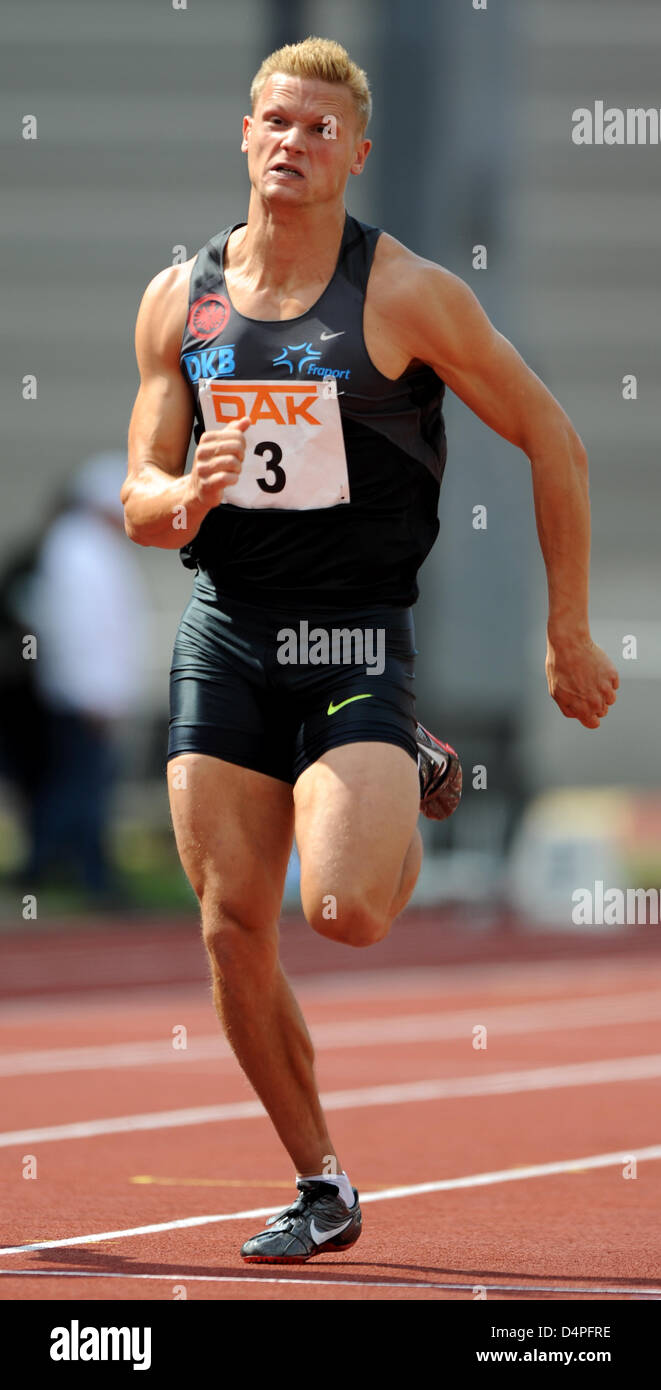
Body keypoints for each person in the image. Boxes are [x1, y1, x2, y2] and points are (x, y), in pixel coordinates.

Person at [122, 37, 619, 1263]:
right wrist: (185, 492)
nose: (293, 143)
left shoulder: (402, 292)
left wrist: (565, 626)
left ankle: (406, 757)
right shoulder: (179, 300)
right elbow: (137, 492)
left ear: (356, 153)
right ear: (245, 134)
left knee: (339, 910)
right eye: (275, 122)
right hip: (227, 631)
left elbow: (552, 438)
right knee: (232, 921)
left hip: (353, 636)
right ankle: (321, 1179)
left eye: (318, 128)